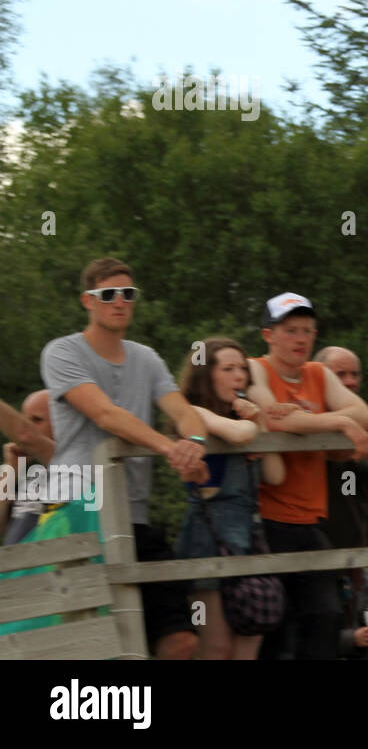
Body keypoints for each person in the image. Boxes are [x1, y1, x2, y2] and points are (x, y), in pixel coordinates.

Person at [39, 257, 209, 659]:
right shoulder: (61, 351)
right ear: (88, 300)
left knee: (181, 640)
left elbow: (183, 412)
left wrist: (194, 441)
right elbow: (106, 415)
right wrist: (171, 448)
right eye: (108, 294)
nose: (119, 301)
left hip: (133, 517)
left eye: (128, 294)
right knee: (92, 646)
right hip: (77, 511)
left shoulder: (146, 357)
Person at [246, 292, 368, 660]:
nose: (301, 339)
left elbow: (363, 413)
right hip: (266, 521)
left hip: (311, 521)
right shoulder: (255, 368)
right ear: (268, 335)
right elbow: (272, 417)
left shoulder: (318, 373)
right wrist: (338, 422)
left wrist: (311, 420)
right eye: (290, 330)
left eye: (307, 331)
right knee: (276, 625)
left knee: (325, 617)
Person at [173, 337, 286, 659]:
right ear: (206, 375)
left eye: (243, 369)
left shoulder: (245, 419)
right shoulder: (192, 413)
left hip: (250, 537)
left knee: (249, 642)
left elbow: (276, 474)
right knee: (217, 648)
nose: (239, 376)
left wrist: (260, 421)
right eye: (228, 369)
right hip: (206, 539)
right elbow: (239, 435)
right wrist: (251, 421)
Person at [313, 344, 368, 656]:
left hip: (355, 558)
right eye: (340, 375)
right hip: (312, 554)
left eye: (355, 374)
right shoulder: (304, 422)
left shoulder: (365, 425)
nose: (350, 381)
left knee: (361, 636)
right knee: (317, 632)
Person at [1, 391, 54, 545]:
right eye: (25, 421)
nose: (29, 427)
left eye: (37, 420)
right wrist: (12, 468)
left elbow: (26, 436)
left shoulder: (77, 469)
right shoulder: (33, 479)